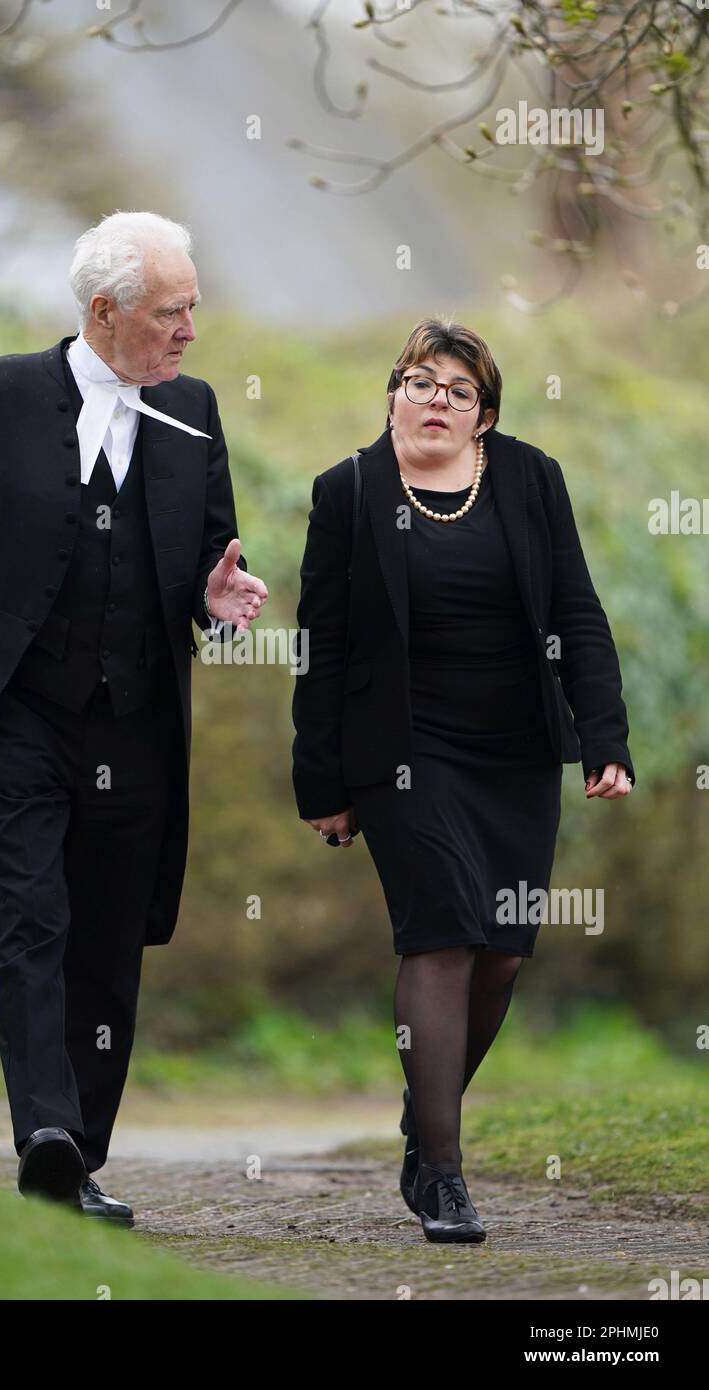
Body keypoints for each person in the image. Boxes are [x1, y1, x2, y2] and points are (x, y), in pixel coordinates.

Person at [0, 211, 268, 1221]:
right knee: (32, 917)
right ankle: (43, 1130)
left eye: (195, 307)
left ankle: (76, 1157)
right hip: (15, 718)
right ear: (104, 312)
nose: (191, 329)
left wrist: (216, 605)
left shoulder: (196, 409)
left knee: (106, 938)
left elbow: (210, 567)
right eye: (173, 311)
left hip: (137, 724)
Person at [291, 317, 634, 1244]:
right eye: (418, 382)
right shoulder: (348, 490)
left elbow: (577, 609)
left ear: (484, 415)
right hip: (404, 753)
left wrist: (603, 736)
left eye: (458, 391)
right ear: (391, 392)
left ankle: (422, 1115)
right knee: (441, 931)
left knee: (503, 953)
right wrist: (320, 778)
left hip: (515, 749)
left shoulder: (528, 479)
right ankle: (442, 1176)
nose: (434, 402)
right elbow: (316, 649)